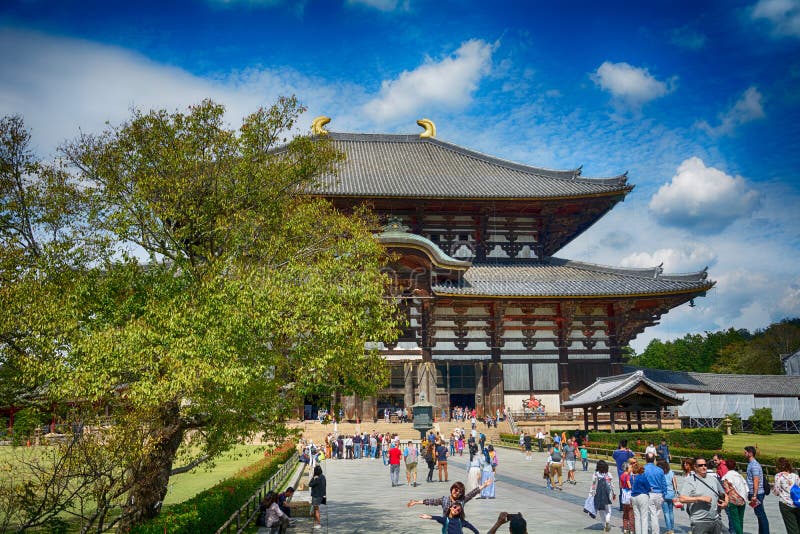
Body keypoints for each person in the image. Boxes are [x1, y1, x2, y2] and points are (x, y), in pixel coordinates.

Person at [678, 456, 728, 534]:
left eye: (705, 465)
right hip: (700, 522)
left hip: (715, 520)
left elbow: (724, 493)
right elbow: (682, 498)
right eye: (700, 465)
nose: (704, 467)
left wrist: (725, 503)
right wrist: (700, 498)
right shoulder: (690, 481)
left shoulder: (713, 479)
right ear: (695, 467)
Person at [407, 480, 490, 515]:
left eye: (460, 492)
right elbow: (431, 501)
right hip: (447, 525)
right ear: (452, 489)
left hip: (458, 525)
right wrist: (416, 502)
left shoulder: (462, 500)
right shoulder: (444, 500)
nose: (457, 493)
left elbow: (472, 493)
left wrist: (484, 485)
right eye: (456, 490)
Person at [744, 445, 769, 534]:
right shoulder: (751, 464)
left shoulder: (754, 465)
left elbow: (756, 480)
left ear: (750, 453)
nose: (744, 454)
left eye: (745, 452)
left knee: (761, 514)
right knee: (759, 514)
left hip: (757, 494)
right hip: (755, 493)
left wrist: (754, 495)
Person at [772, 457, 800, 534]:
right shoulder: (795, 476)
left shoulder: (778, 476)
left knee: (791, 527)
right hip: (797, 503)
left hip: (785, 504)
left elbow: (776, 492)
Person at [721, 459, 748, 534]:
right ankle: (740, 532)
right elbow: (746, 487)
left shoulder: (726, 477)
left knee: (735, 520)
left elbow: (726, 490)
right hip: (742, 499)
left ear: (726, 467)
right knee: (740, 519)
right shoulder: (739, 476)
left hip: (733, 500)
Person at [590, 459, 617, 532]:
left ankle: (604, 525)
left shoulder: (596, 474)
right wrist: (614, 493)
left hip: (598, 494)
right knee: (608, 510)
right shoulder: (608, 474)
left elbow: (593, 485)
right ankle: (608, 520)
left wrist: (591, 493)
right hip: (608, 494)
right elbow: (611, 485)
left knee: (601, 510)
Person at [644, 452, 667, 533]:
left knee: (651, 515)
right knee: (655, 515)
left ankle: (652, 531)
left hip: (649, 494)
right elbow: (664, 483)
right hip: (659, 494)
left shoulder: (643, 469)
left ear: (646, 459)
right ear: (654, 459)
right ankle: (653, 530)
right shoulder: (660, 470)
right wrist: (664, 494)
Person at [613, 440, 635, 511]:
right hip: (628, 473)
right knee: (629, 488)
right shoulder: (628, 452)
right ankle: (630, 504)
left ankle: (622, 506)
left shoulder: (616, 452)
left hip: (620, 474)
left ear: (620, 444)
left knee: (622, 489)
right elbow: (633, 455)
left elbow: (614, 456)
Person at [631, 463, 652, 534]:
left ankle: (638, 532)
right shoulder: (642, 477)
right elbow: (648, 487)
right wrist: (650, 489)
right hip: (642, 496)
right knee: (644, 517)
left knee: (637, 517)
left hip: (633, 496)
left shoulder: (633, 477)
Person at [659, 458, 678, 534]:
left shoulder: (660, 473)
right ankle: (672, 529)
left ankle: (668, 529)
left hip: (664, 494)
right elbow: (675, 484)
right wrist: (675, 491)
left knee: (666, 512)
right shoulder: (671, 472)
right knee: (671, 512)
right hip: (671, 494)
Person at [620, 460, 635, 534]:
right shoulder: (627, 476)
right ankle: (632, 529)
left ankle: (625, 528)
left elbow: (620, 485)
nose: (631, 468)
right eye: (630, 467)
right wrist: (632, 488)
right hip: (629, 496)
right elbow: (629, 485)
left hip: (623, 496)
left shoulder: (622, 475)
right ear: (627, 468)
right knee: (631, 513)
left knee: (625, 513)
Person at [309, 465, 326, 531]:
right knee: (316, 509)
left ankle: (318, 523)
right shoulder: (323, 477)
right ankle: (316, 522)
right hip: (321, 496)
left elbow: (310, 484)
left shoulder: (317, 478)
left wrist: (313, 478)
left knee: (316, 510)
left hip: (316, 496)